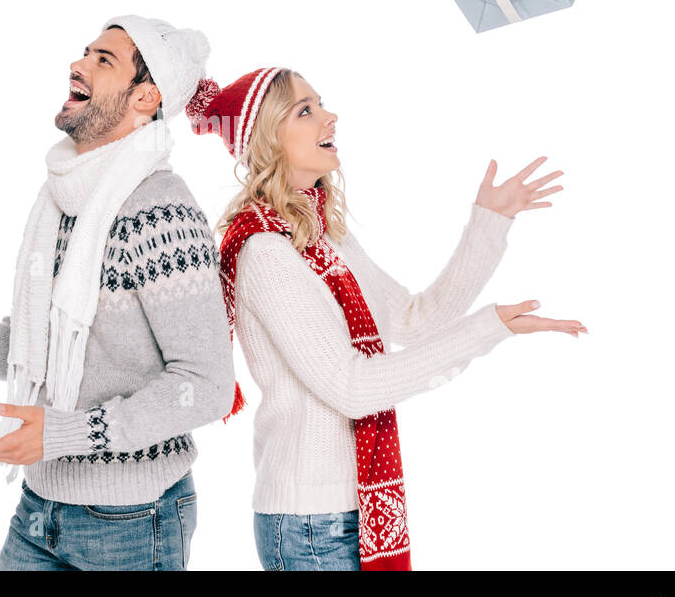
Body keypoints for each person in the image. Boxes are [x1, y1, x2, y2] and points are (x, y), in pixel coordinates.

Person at [0, 16, 236, 570]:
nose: (78, 64)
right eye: (84, 52)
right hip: (41, 508)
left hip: (134, 523)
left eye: (103, 60)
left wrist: (66, 432)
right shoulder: (65, 196)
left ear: (146, 97)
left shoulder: (161, 211)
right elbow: (40, 336)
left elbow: (206, 385)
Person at [187, 66, 587, 571]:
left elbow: (415, 320)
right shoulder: (266, 250)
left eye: (321, 104)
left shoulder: (324, 233)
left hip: (346, 509)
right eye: (305, 111)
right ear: (268, 136)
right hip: (312, 522)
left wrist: (490, 221)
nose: (329, 117)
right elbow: (352, 388)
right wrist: (489, 330)